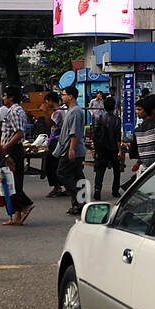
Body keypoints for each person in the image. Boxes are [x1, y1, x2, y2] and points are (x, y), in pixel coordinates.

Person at [0, 86, 34, 226]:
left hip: (12, 149)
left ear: (11, 97)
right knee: (14, 182)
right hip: (12, 148)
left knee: (9, 182)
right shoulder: (14, 110)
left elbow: (19, 133)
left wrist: (5, 148)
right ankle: (16, 216)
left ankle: (26, 205)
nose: (3, 98)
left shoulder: (14, 111)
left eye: (5, 95)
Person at [55, 86, 87, 216]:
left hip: (72, 149)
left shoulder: (75, 112)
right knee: (77, 176)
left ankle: (80, 201)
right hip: (72, 148)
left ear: (71, 96)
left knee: (62, 173)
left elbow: (74, 133)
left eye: (64, 95)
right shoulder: (71, 110)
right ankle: (78, 204)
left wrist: (71, 149)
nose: (62, 97)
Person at [92, 95, 123, 200]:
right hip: (113, 148)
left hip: (101, 148)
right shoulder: (117, 120)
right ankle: (115, 190)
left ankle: (97, 190)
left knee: (100, 170)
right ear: (114, 107)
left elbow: (95, 135)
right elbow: (118, 136)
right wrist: (119, 150)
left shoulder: (99, 118)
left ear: (104, 107)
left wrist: (95, 150)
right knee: (116, 170)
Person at [44, 91, 66, 197]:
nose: (46, 104)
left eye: (47, 102)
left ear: (51, 101)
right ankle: (59, 185)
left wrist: (45, 112)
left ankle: (57, 186)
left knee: (50, 163)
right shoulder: (58, 111)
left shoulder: (58, 112)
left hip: (57, 139)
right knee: (55, 164)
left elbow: (50, 123)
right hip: (56, 139)